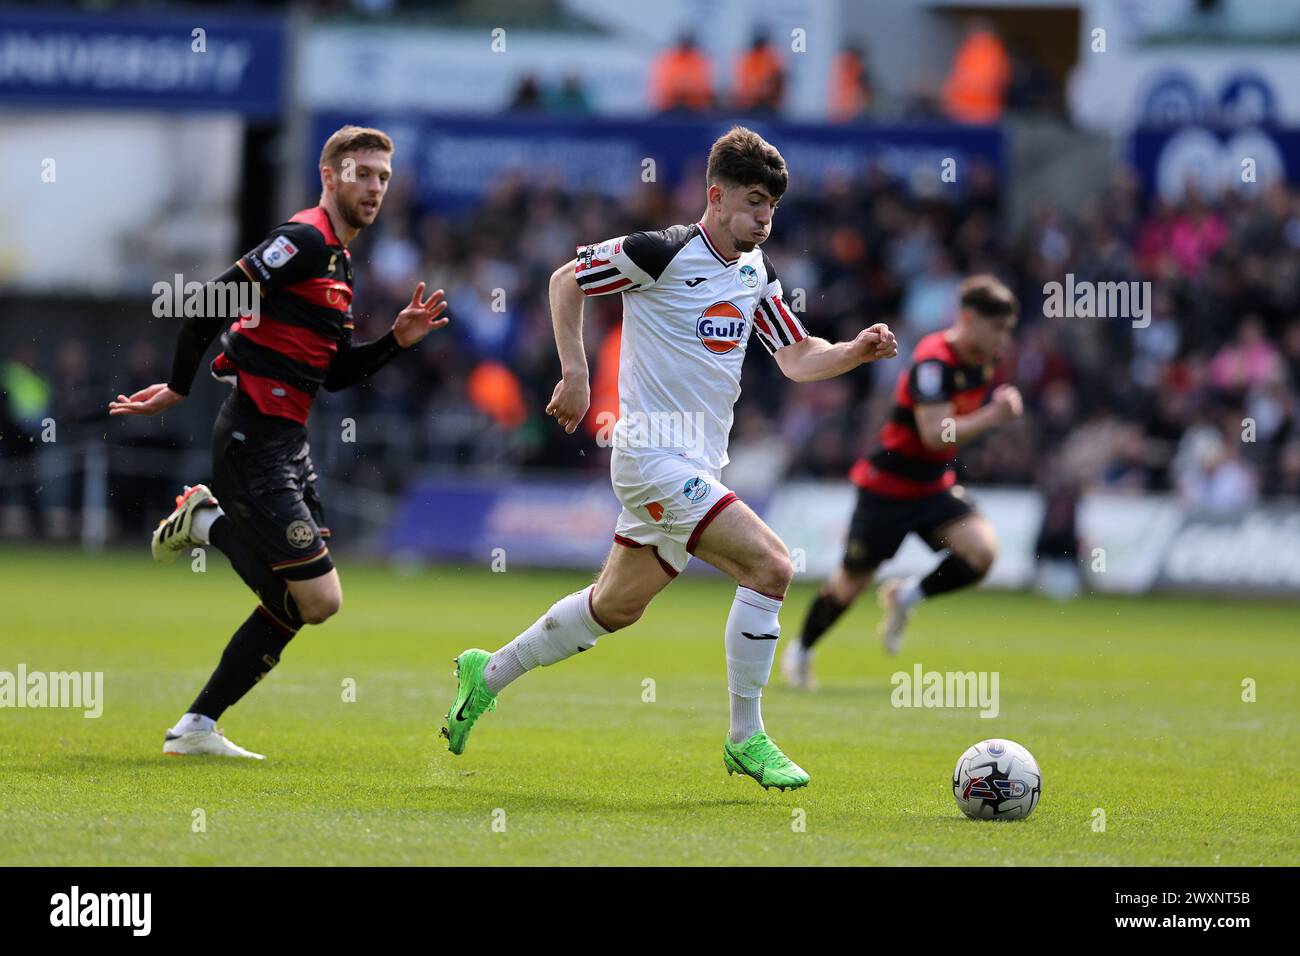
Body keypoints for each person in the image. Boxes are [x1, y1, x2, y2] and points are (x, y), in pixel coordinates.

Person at [440, 127, 897, 791]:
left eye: (772, 206)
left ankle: (488, 673)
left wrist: (853, 349)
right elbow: (566, 280)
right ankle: (747, 738)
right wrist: (575, 373)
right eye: (754, 202)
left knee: (614, 608)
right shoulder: (660, 252)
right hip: (651, 458)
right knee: (770, 567)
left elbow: (797, 358)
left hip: (697, 468)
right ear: (716, 196)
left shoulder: (754, 273)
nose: (766, 218)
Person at [108, 126, 450, 758]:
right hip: (251, 442)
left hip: (286, 447)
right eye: (363, 173)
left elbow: (336, 374)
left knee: (294, 603)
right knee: (320, 598)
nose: (374, 187)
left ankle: (196, 728)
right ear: (330, 177)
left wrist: (395, 343)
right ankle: (205, 521)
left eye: (383, 177)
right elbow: (211, 302)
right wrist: (179, 387)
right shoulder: (302, 241)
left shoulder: (338, 261)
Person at [786, 275, 1021, 688]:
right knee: (849, 584)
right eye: (997, 328)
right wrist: (994, 417)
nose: (1003, 339)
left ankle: (905, 596)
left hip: (932, 486)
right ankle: (800, 652)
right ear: (968, 318)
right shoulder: (934, 360)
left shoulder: (984, 361)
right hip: (887, 487)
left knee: (982, 552)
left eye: (1007, 329)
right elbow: (935, 433)